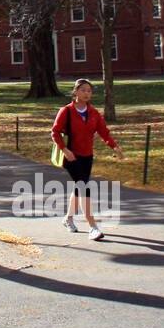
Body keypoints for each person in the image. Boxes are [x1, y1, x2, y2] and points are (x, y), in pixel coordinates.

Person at [51, 78, 124, 240]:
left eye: (89, 91)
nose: (86, 93)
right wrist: (65, 149)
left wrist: (114, 147)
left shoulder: (93, 113)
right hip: (71, 157)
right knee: (84, 187)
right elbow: (55, 132)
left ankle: (68, 218)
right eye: (83, 90)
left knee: (79, 188)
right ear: (75, 92)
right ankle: (93, 227)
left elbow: (104, 132)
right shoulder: (66, 111)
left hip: (87, 156)